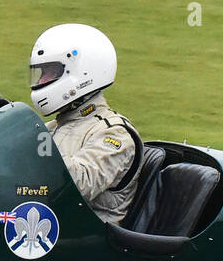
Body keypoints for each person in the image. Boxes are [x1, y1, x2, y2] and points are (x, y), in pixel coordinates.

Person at [29, 23, 143, 225]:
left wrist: (28, 150)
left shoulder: (115, 134)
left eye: (51, 72)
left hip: (84, 244)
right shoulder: (53, 127)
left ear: (82, 74)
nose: (41, 81)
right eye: (41, 73)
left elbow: (75, 184)